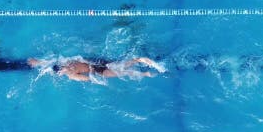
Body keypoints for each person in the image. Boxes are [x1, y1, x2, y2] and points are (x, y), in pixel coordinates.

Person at [27, 56, 166, 82]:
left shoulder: (71, 75)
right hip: (96, 61)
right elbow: (51, 61)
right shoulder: (66, 61)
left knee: (122, 72)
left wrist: (88, 74)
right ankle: (139, 59)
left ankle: (145, 73)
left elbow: (87, 78)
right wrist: (38, 62)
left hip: (99, 71)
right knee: (122, 65)